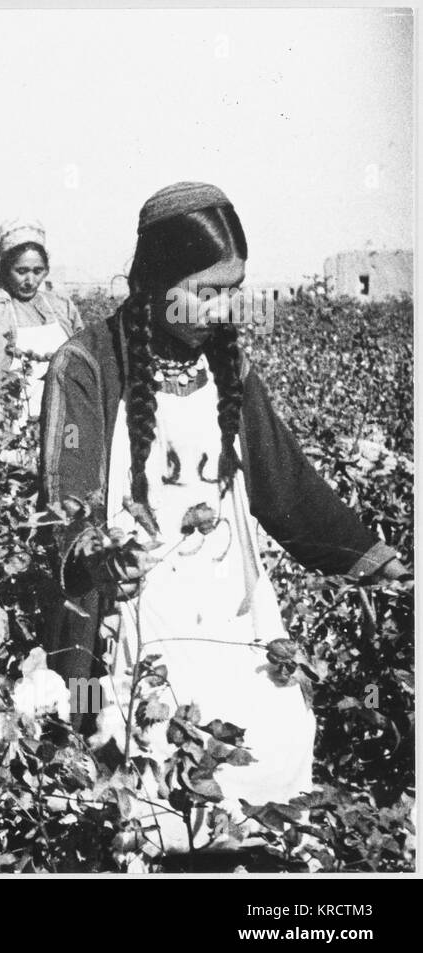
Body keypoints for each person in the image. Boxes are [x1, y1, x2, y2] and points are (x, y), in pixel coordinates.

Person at [38, 182, 408, 855]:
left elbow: (283, 481)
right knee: (140, 788)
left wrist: (367, 555)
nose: (225, 305)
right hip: (135, 616)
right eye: (206, 290)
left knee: (260, 769)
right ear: (152, 279)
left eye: (234, 286)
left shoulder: (227, 361)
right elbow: (67, 506)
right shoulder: (87, 365)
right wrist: (99, 553)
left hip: (231, 613)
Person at [0, 218, 85, 461]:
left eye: (37, 271)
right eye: (21, 271)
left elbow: (84, 360)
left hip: (65, 420)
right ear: (5, 270)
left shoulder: (60, 306)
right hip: (17, 427)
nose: (30, 280)